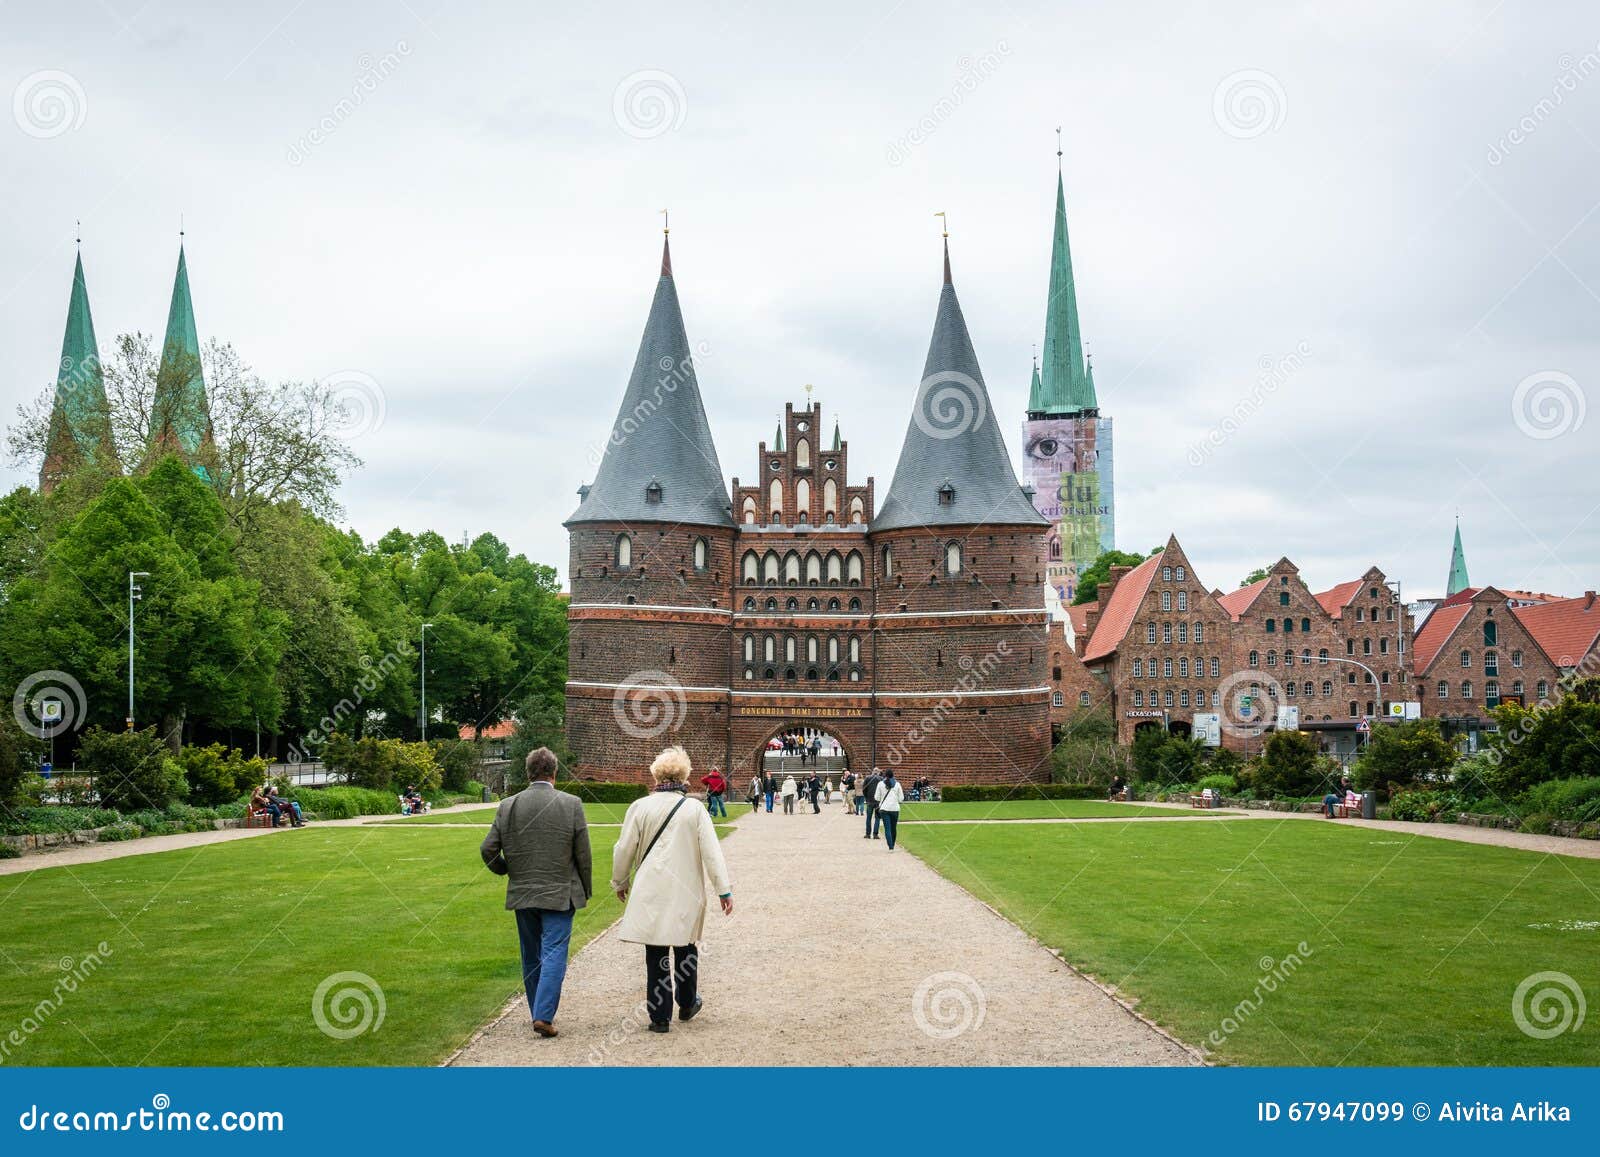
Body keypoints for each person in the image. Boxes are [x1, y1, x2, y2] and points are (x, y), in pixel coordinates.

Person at [611, 746, 733, 1033]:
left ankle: (660, 1017)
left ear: (656, 775)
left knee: (655, 953)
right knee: (686, 947)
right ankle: (687, 1002)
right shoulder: (694, 809)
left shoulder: (640, 806)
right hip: (686, 890)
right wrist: (723, 890)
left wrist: (620, 881)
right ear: (685, 776)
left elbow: (624, 849)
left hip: (651, 889)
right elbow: (712, 852)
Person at [480, 747, 593, 1039]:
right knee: (554, 953)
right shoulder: (571, 803)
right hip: (559, 892)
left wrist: (505, 870)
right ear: (554, 773)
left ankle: (537, 1012)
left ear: (528, 773)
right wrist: (586, 888)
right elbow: (583, 854)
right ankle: (542, 1015)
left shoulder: (508, 805)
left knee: (531, 955)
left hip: (524, 891)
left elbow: (488, 848)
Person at [875, 769, 905, 850]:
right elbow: (901, 798)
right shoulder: (897, 784)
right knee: (893, 828)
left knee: (887, 828)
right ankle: (893, 844)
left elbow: (876, 797)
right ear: (893, 775)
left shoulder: (880, 784)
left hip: (884, 808)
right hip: (895, 808)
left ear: (885, 775)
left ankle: (890, 846)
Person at [862, 768, 882, 839]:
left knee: (868, 818)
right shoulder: (881, 779)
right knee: (877, 818)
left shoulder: (868, 778)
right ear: (878, 772)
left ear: (873, 772)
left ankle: (868, 834)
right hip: (878, 802)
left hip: (870, 801)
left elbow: (864, 789)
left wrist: (866, 797)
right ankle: (875, 834)